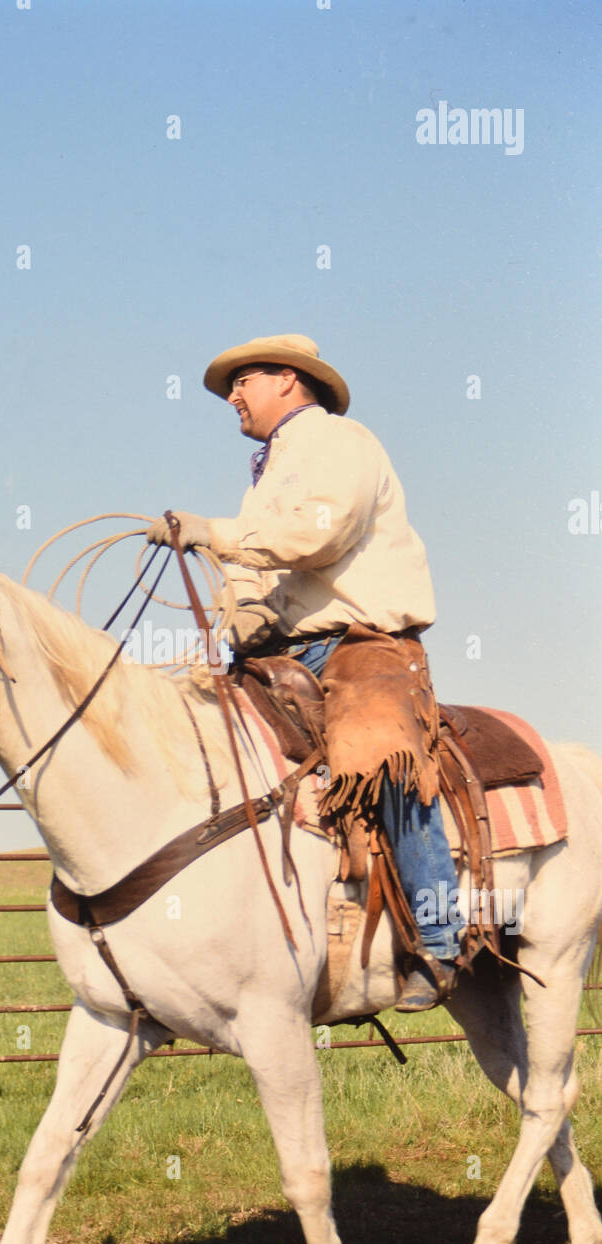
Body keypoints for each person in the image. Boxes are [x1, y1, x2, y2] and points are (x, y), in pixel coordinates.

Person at [147, 333, 462, 1010]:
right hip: (288, 653)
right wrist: (241, 608)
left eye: (243, 382)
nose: (232, 397)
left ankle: (440, 942)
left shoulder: (345, 443)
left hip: (365, 643)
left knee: (383, 760)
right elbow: (257, 564)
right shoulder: (268, 470)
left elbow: (320, 534)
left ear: (288, 379)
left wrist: (215, 532)